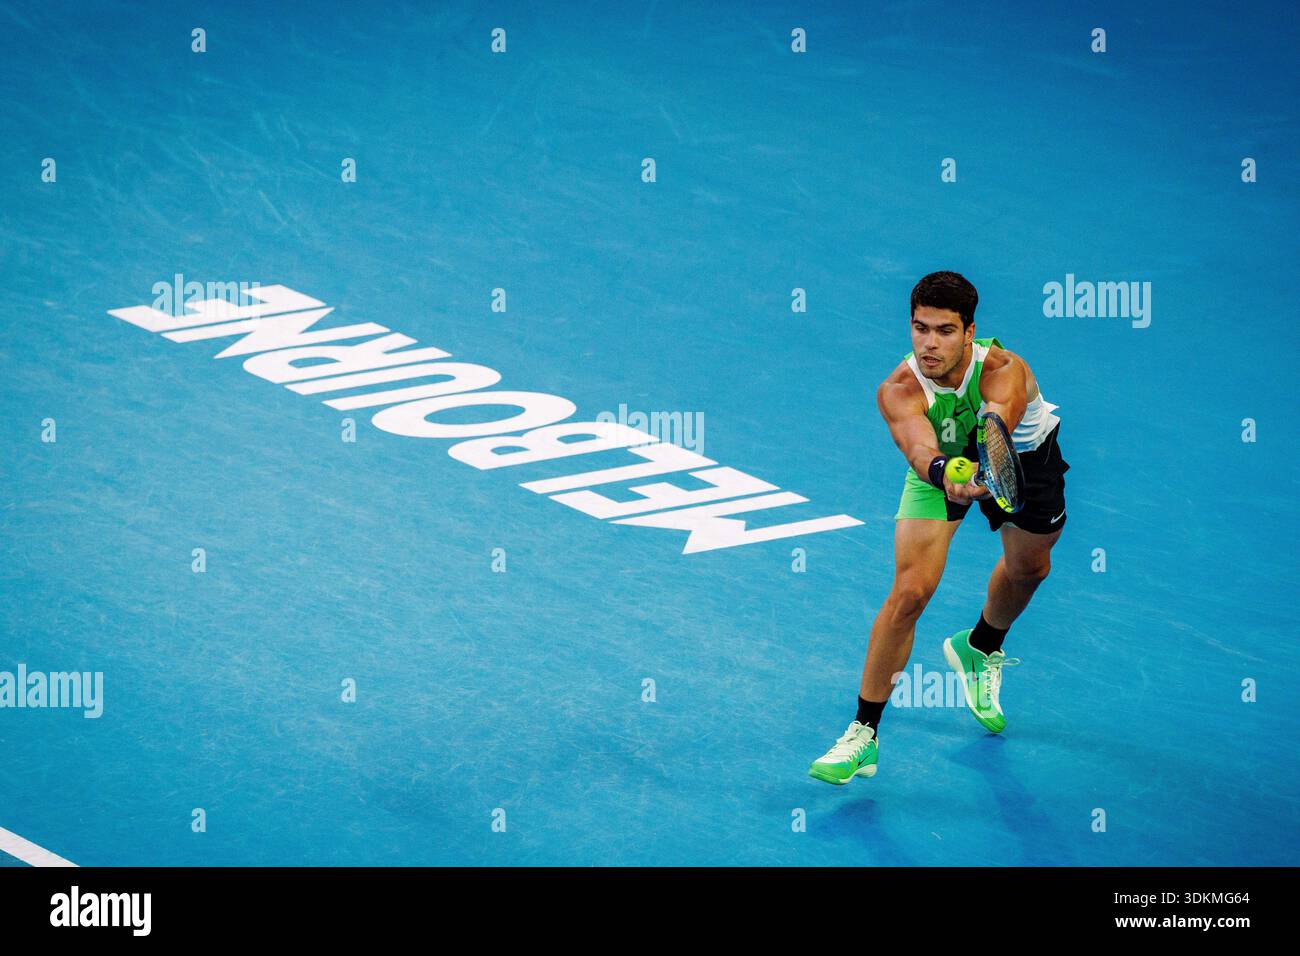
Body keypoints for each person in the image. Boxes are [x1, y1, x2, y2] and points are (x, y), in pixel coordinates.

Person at [809, 271, 1069, 785]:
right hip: (942, 470)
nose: (930, 344)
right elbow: (917, 447)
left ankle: (981, 645)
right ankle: (863, 732)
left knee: (1029, 569)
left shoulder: (1004, 370)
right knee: (909, 593)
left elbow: (995, 426)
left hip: (1022, 460)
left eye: (945, 331)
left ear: (970, 332)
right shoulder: (899, 389)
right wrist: (946, 472)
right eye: (920, 328)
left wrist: (982, 471)